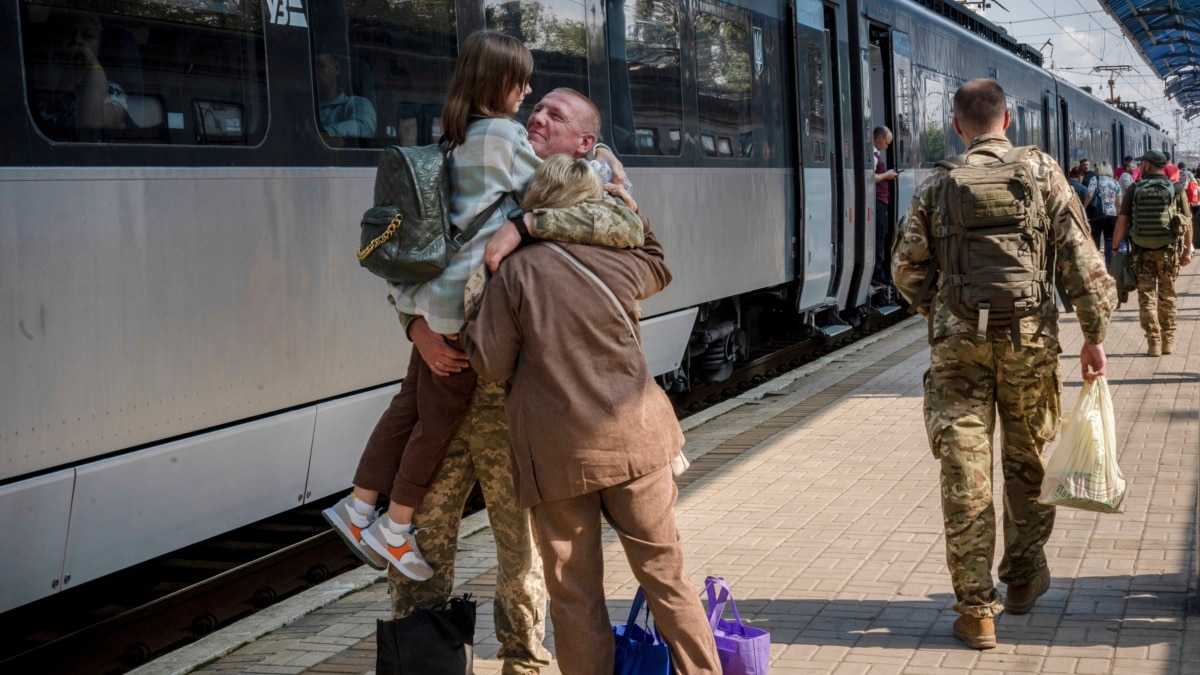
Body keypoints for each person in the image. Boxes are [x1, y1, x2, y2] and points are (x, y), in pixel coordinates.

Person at [463, 155, 722, 675]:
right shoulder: (624, 263)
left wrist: (476, 305)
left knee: (575, 596)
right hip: (639, 444)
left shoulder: (515, 273)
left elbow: (490, 364)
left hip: (560, 459)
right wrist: (625, 195)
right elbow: (658, 258)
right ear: (590, 208)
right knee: (666, 578)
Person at [892, 78, 1115, 651]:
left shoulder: (939, 183)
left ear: (959, 126)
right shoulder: (1043, 174)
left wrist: (940, 311)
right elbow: (1082, 264)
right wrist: (1093, 336)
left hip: (958, 345)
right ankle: (1021, 580)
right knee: (1026, 461)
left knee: (965, 471)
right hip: (1030, 343)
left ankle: (975, 610)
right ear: (1008, 121)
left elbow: (906, 269)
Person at [1111, 150, 1193, 357]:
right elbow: (1187, 221)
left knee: (1146, 297)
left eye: (1142, 164)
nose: (1140, 166)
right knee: (1168, 297)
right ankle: (1168, 341)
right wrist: (1186, 252)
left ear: (1148, 165)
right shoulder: (1176, 189)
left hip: (1141, 252)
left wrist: (1114, 247)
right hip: (1168, 252)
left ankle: (1154, 343)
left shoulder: (1135, 188)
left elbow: (1122, 221)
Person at [32, 9, 129, 141]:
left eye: (87, 36)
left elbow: (91, 134)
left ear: (98, 47)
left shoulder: (112, 89)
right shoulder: (33, 80)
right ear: (52, 42)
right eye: (68, 33)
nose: (77, 40)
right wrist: (65, 85)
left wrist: (94, 71)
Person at [315, 47, 377, 139]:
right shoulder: (299, 107)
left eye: (320, 66)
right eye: (310, 68)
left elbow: (363, 127)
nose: (314, 72)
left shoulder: (356, 104)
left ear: (336, 68)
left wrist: (322, 134)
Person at [871, 126, 900, 286]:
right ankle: (876, 274)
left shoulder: (876, 155)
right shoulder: (872, 156)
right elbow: (870, 177)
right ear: (879, 137)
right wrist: (886, 175)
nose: (886, 147)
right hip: (877, 202)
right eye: (886, 143)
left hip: (881, 201)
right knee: (879, 238)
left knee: (882, 237)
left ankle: (880, 272)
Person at [1083, 161, 1122, 264]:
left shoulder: (1095, 179)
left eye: (1096, 169)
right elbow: (1118, 204)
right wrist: (1119, 218)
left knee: (1095, 239)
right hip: (1112, 216)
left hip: (1098, 215)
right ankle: (1109, 265)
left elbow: (1090, 195)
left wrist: (1083, 208)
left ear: (1100, 170)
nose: (1095, 171)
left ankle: (1096, 265)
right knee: (1109, 241)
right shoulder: (1116, 183)